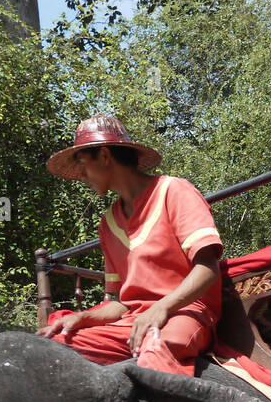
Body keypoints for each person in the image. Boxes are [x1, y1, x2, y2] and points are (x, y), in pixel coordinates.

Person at [38, 115, 223, 375]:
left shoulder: (174, 191)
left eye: (83, 164)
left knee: (157, 348)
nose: (82, 176)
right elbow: (122, 303)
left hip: (185, 312)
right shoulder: (108, 223)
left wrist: (161, 308)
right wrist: (82, 317)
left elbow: (208, 269)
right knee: (52, 347)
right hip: (133, 322)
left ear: (104, 156)